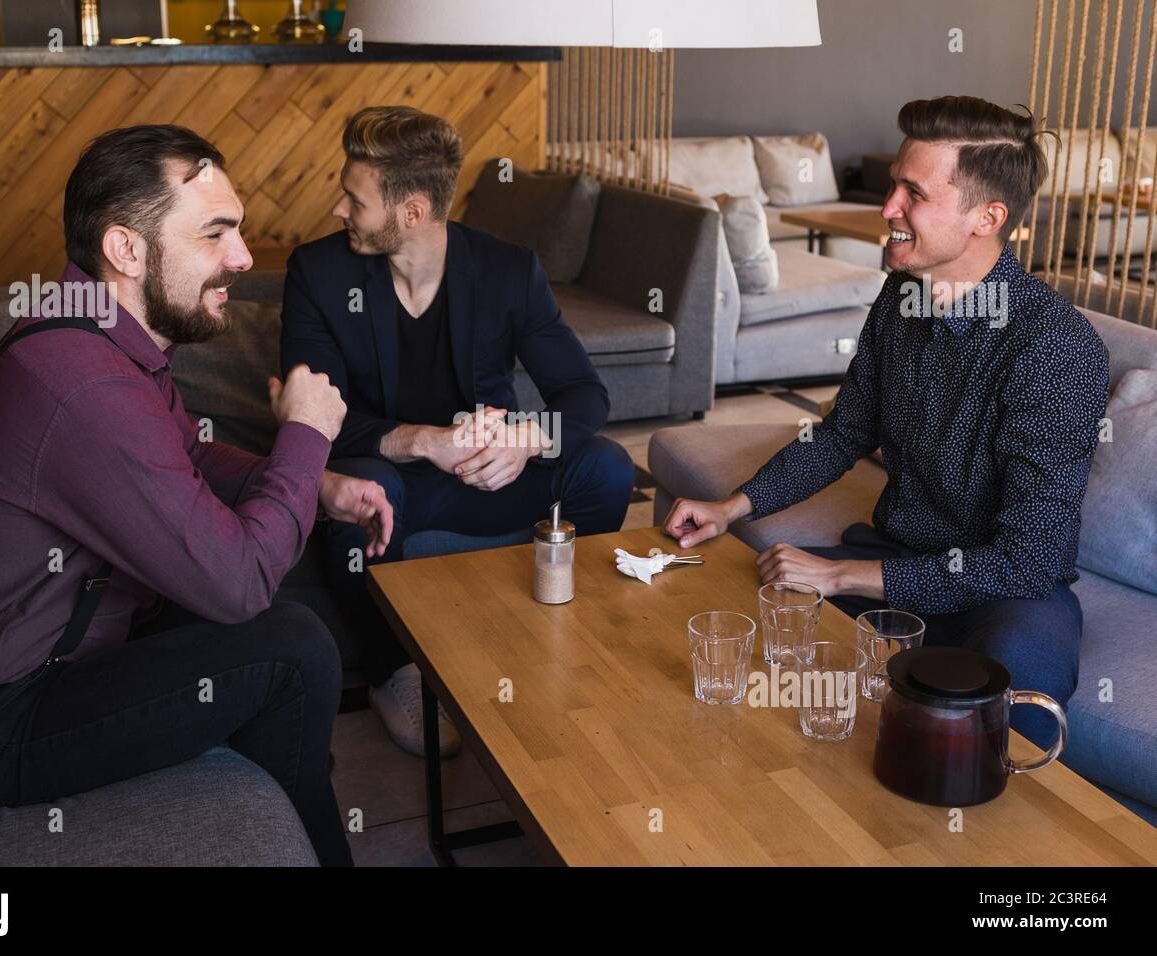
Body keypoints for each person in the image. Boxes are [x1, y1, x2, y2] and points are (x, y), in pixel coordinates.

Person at [0, 124, 393, 866]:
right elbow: (241, 581)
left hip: (42, 667)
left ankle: (279, 807)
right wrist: (308, 434)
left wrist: (310, 482)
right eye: (216, 234)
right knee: (290, 648)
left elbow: (184, 457)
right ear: (126, 250)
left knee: (269, 638)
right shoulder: (82, 383)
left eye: (240, 232)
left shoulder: (104, 340)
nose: (244, 259)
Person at [663, 96, 1110, 749]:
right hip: (897, 561)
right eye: (894, 184)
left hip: (1005, 595)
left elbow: (1027, 560)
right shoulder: (902, 295)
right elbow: (845, 431)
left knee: (1009, 711)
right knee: (746, 634)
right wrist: (731, 507)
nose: (888, 209)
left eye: (913, 192)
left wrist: (838, 575)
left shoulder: (1055, 348)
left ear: (987, 217)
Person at [281, 106, 633, 758]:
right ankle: (393, 670)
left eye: (354, 199)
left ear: (412, 212)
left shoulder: (507, 269)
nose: (337, 209)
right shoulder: (320, 274)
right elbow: (312, 414)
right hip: (393, 477)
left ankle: (549, 625)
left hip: (493, 474)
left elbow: (585, 394)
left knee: (608, 470)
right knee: (364, 493)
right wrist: (420, 440)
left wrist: (528, 439)